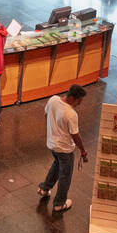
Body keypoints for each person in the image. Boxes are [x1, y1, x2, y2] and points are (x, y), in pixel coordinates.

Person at [38, 84, 89, 213]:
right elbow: (75, 135)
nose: (80, 103)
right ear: (72, 98)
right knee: (65, 176)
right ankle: (59, 203)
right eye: (79, 100)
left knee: (56, 165)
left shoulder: (53, 99)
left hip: (52, 144)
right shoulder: (71, 114)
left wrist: (52, 131)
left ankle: (44, 188)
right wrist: (82, 150)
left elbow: (45, 115)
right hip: (64, 149)